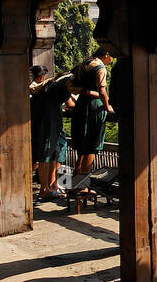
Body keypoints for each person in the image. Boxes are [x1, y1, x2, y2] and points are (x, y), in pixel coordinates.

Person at [67, 48, 116, 196]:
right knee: (92, 146)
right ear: (106, 54)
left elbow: (73, 86)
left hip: (81, 106)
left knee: (82, 146)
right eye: (111, 55)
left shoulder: (85, 66)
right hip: (94, 107)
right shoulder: (100, 67)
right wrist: (108, 107)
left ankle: (74, 183)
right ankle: (82, 186)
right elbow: (102, 91)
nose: (112, 58)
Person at [29, 66, 72, 200]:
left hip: (45, 125)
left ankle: (49, 186)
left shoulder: (42, 90)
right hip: (49, 125)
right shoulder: (52, 92)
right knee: (47, 155)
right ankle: (47, 188)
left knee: (48, 155)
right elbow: (70, 103)